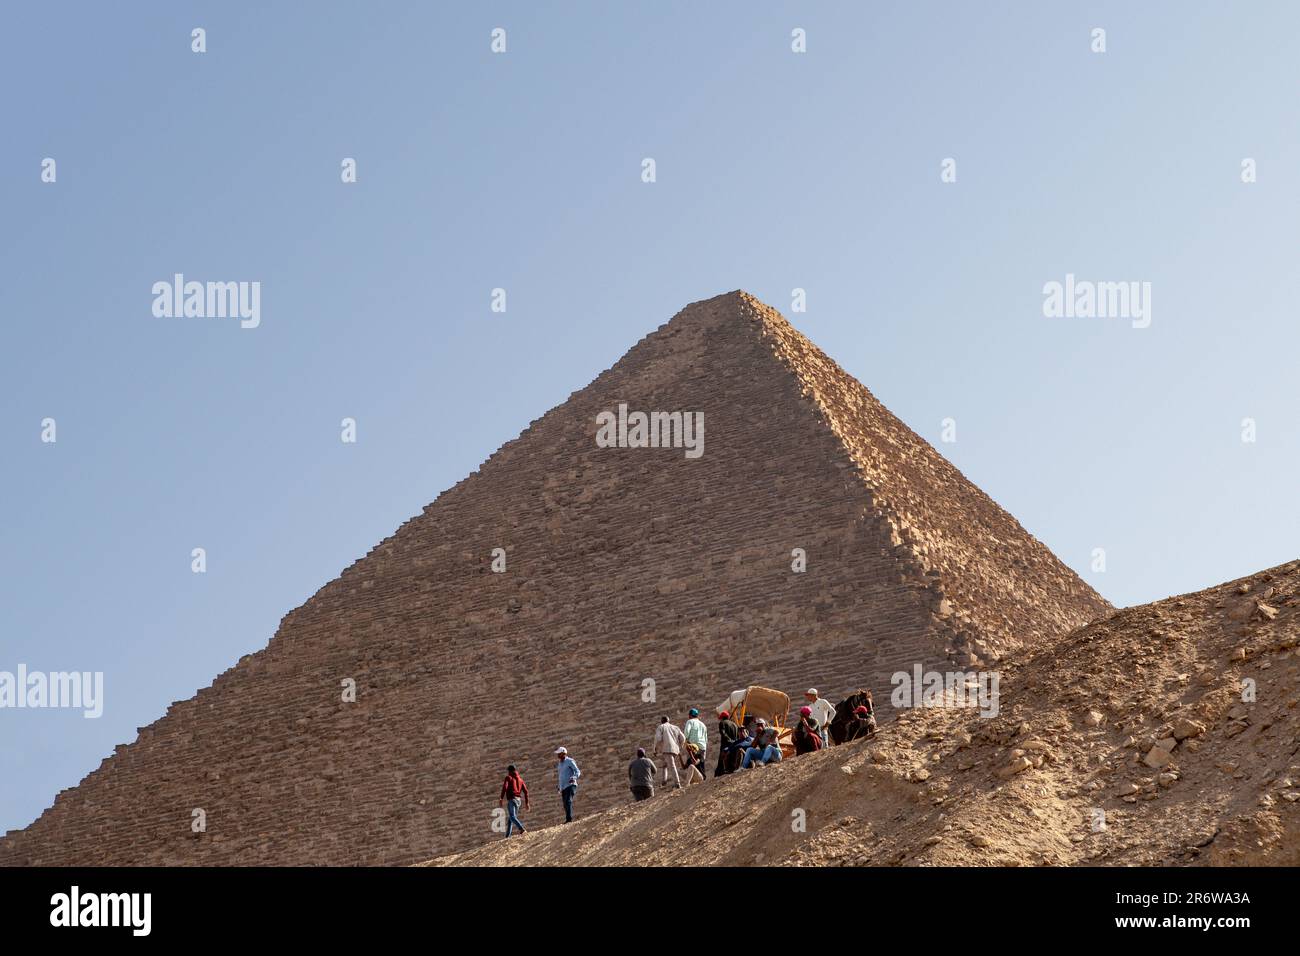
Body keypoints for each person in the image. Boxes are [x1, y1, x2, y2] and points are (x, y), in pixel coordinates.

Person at [653, 716, 686, 789]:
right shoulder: (675, 727)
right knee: (665, 765)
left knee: (672, 766)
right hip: (675, 749)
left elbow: (658, 739)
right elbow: (683, 738)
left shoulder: (661, 727)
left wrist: (655, 749)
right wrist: (680, 746)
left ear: (661, 721)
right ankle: (664, 781)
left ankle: (677, 783)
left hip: (667, 749)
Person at [498, 764, 530, 837]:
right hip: (518, 800)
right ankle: (507, 836)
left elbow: (505, 787)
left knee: (512, 816)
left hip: (512, 799)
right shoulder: (520, 780)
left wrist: (501, 798)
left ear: (510, 771)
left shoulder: (508, 777)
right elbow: (526, 791)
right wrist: (527, 803)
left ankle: (521, 829)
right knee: (510, 819)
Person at [555, 746, 581, 822]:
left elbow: (577, 771)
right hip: (563, 787)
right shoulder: (559, 764)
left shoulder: (570, 761)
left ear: (563, 753)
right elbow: (561, 776)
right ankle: (568, 819)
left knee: (568, 801)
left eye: (559, 754)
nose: (558, 755)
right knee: (565, 803)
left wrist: (573, 777)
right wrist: (559, 787)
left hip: (571, 784)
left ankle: (569, 819)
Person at [683, 708, 708, 776]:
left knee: (692, 765)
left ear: (690, 715)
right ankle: (703, 778)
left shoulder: (690, 721)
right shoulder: (703, 725)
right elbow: (706, 739)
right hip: (702, 747)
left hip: (693, 747)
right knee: (701, 764)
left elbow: (686, 734)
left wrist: (685, 742)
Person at [715, 710, 740, 776]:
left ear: (722, 717)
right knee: (732, 760)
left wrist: (729, 740)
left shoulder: (722, 723)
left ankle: (720, 774)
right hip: (734, 745)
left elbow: (723, 733)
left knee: (722, 760)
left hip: (726, 744)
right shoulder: (734, 724)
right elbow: (738, 735)